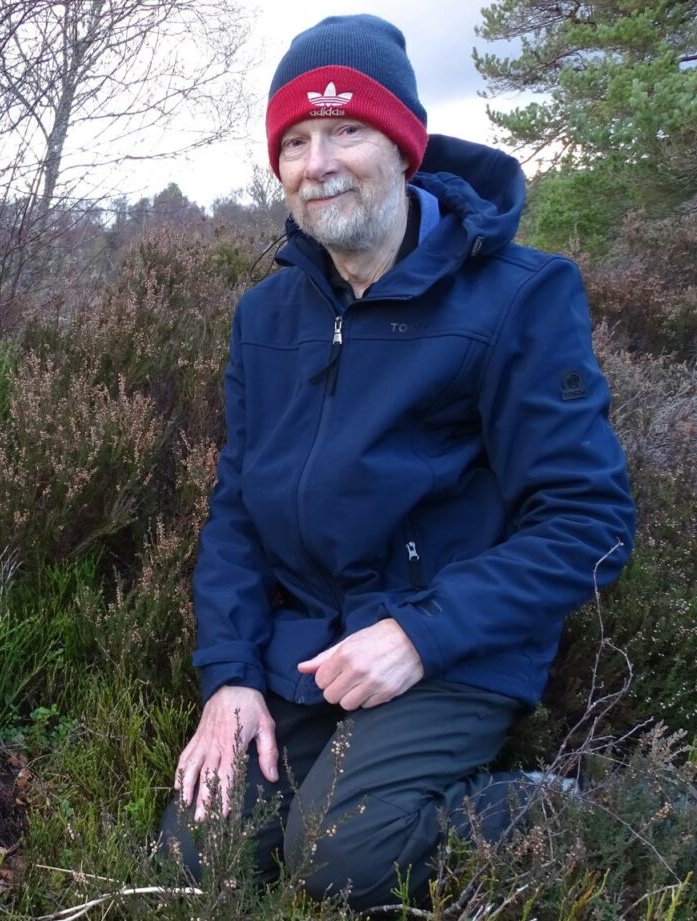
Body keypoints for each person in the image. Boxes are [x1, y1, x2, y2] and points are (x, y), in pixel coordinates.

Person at [159, 15, 638, 908]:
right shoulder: (266, 317)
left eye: (348, 130)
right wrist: (229, 676)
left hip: (451, 647)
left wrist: (423, 634)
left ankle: (595, 809)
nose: (319, 163)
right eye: (295, 140)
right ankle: (333, 777)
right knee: (201, 853)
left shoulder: (521, 297)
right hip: (311, 649)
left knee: (344, 858)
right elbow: (235, 512)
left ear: (405, 145)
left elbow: (590, 522)